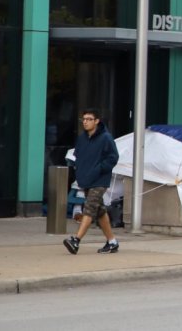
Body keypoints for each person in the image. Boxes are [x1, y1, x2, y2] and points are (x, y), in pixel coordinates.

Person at [63, 109, 120, 254]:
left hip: (100, 179)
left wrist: (99, 169)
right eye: (84, 119)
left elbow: (113, 157)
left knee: (89, 208)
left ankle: (76, 240)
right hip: (86, 179)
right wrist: (80, 171)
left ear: (96, 121)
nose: (85, 121)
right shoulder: (82, 138)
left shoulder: (106, 138)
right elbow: (78, 156)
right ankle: (112, 242)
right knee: (99, 211)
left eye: (89, 119)